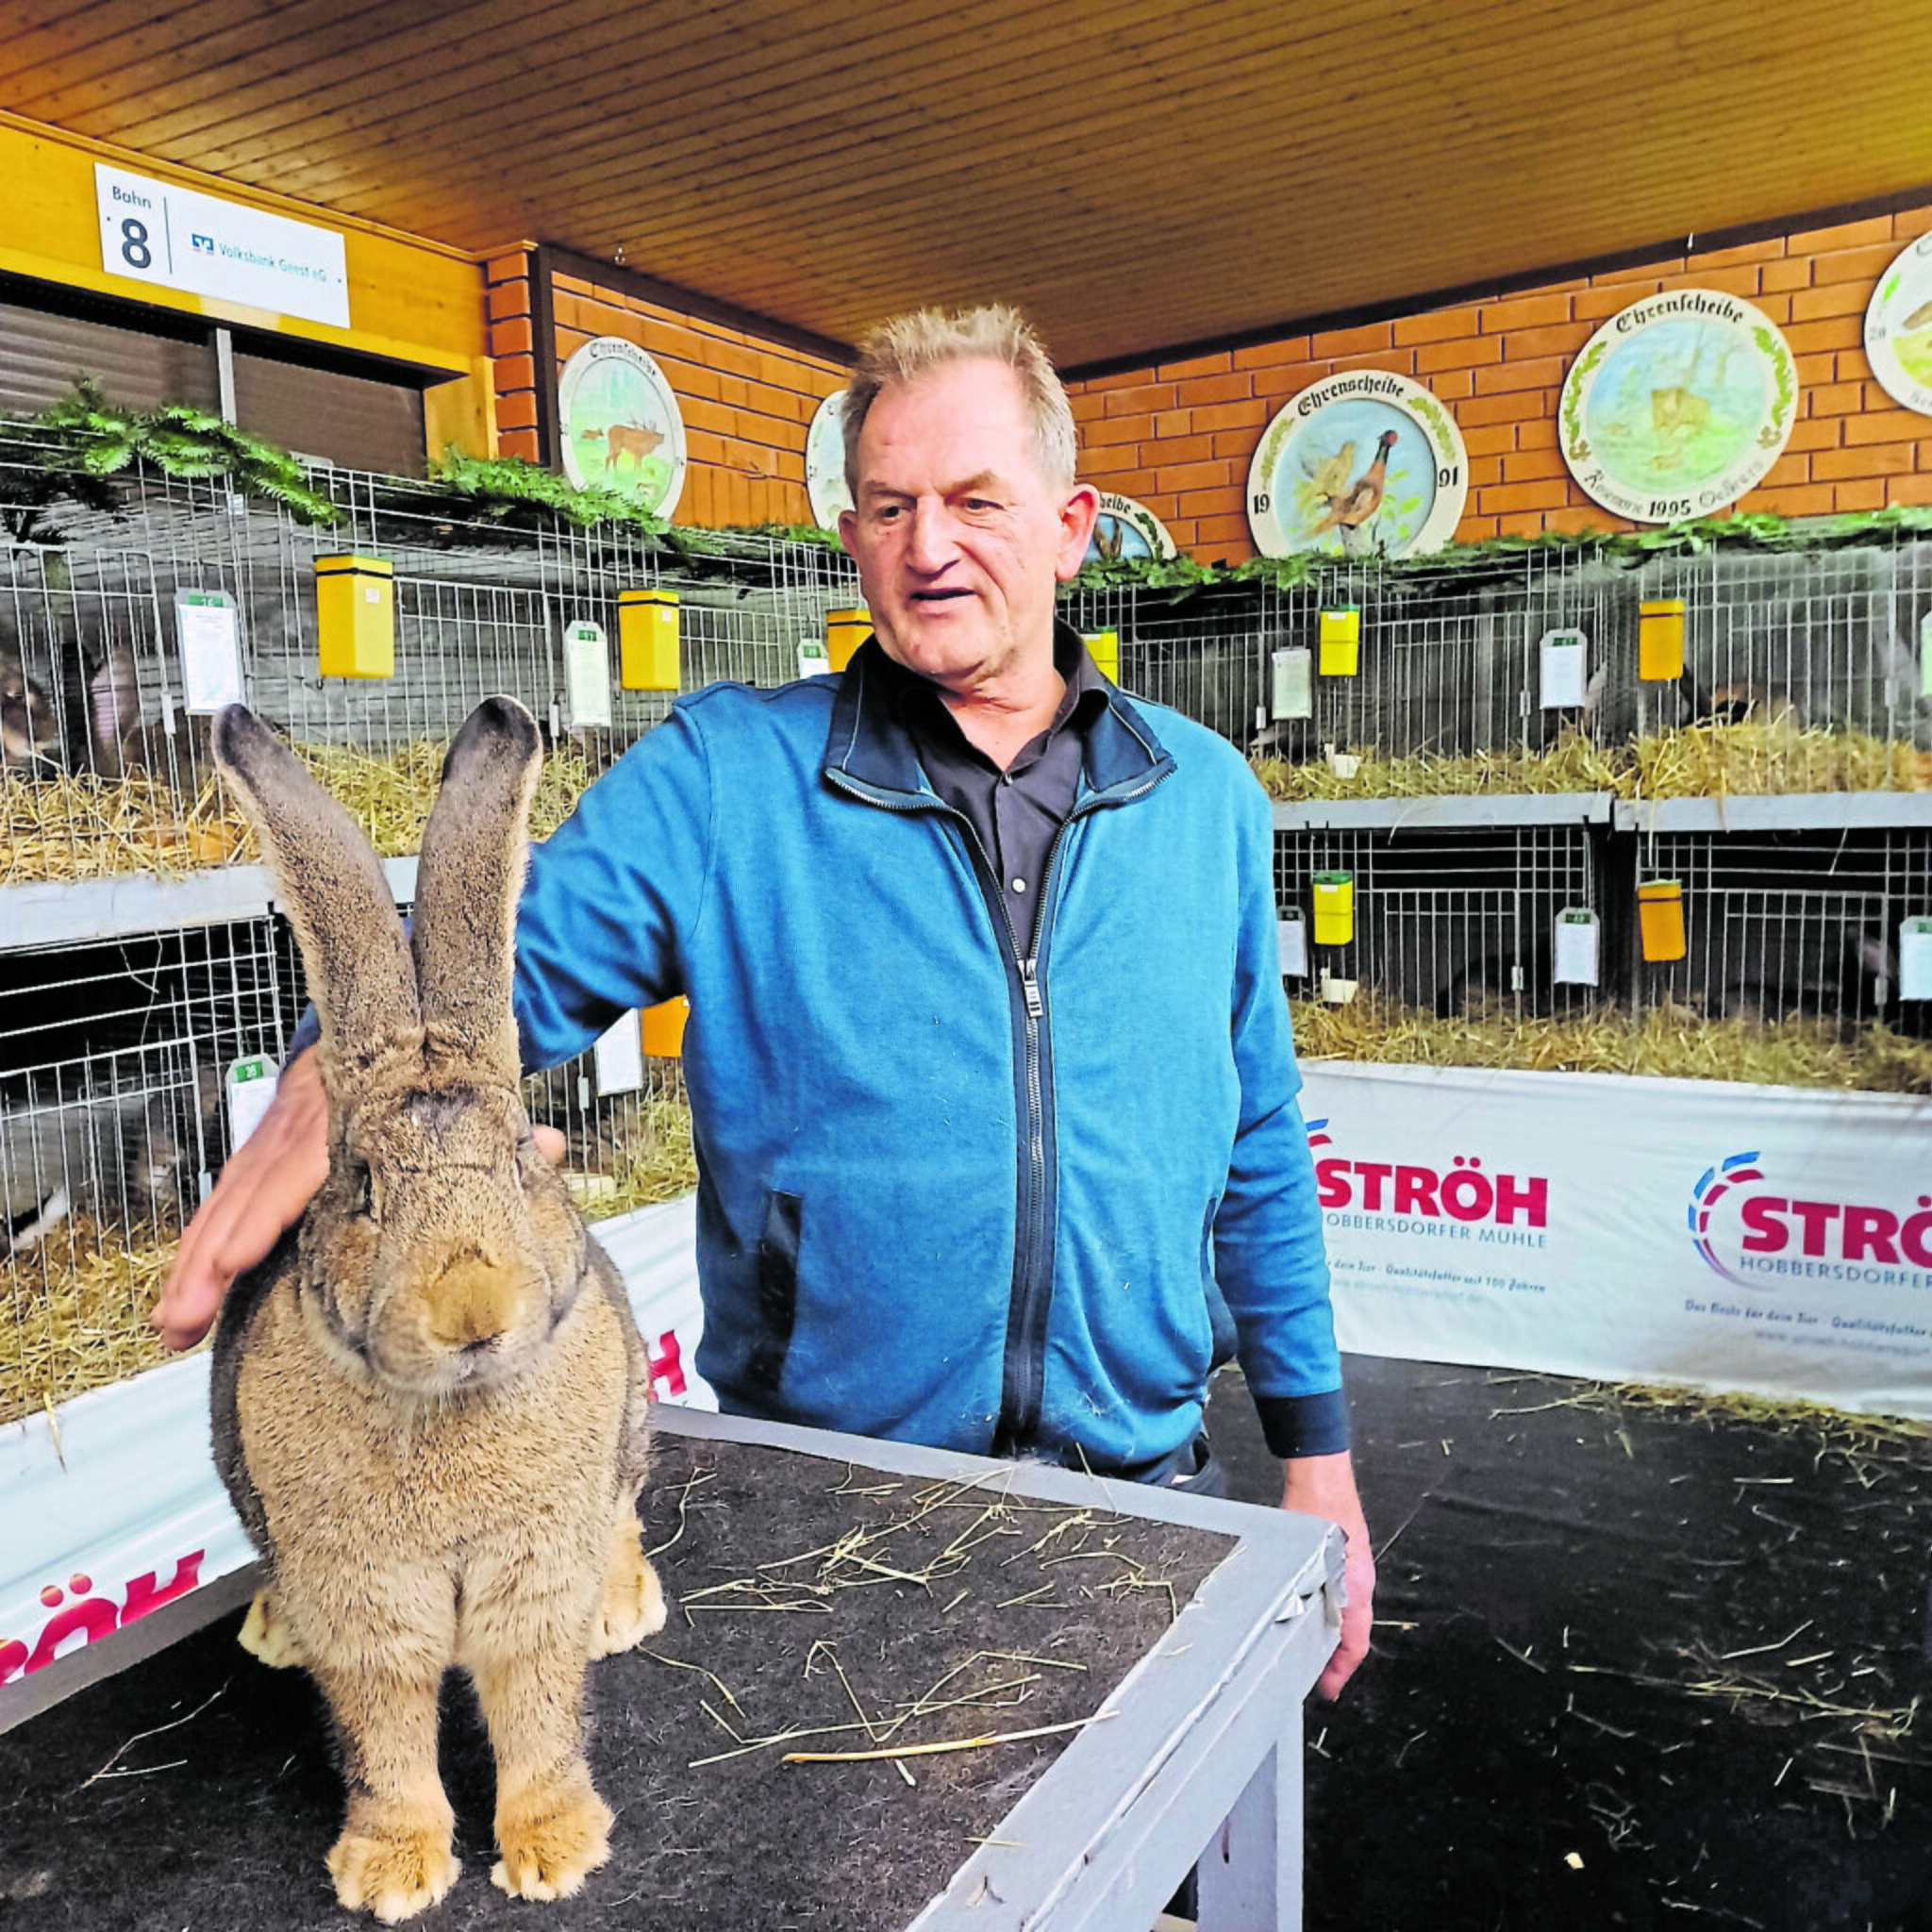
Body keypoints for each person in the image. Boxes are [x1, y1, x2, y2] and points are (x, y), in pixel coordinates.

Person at [153, 305, 1374, 1699]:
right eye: (890, 506)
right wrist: (336, 1102)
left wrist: (1318, 1458)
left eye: (978, 501)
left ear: (1069, 524)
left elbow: (1259, 1142)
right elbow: (465, 990)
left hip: (1147, 1488)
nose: (930, 546)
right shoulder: (728, 784)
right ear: (850, 537)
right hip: (827, 1507)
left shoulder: (1203, 799)